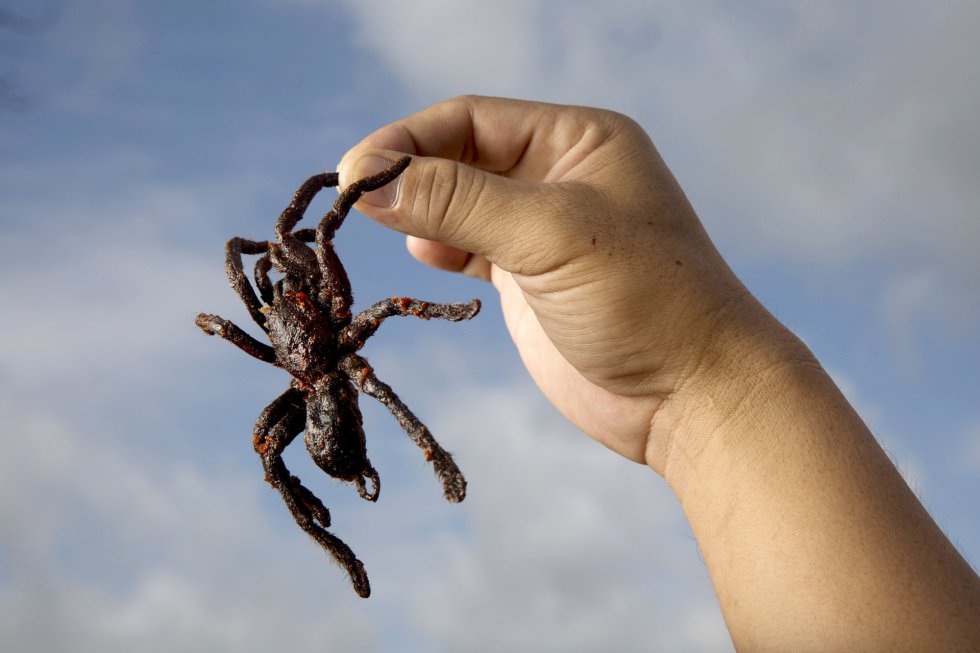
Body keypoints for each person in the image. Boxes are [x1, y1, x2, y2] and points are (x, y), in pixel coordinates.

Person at [337, 96, 980, 651]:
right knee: (301, 430)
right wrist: (697, 384)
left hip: (326, 389)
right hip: (323, 395)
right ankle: (345, 538)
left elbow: (377, 302)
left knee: (362, 391)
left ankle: (422, 462)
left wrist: (691, 385)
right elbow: (239, 292)